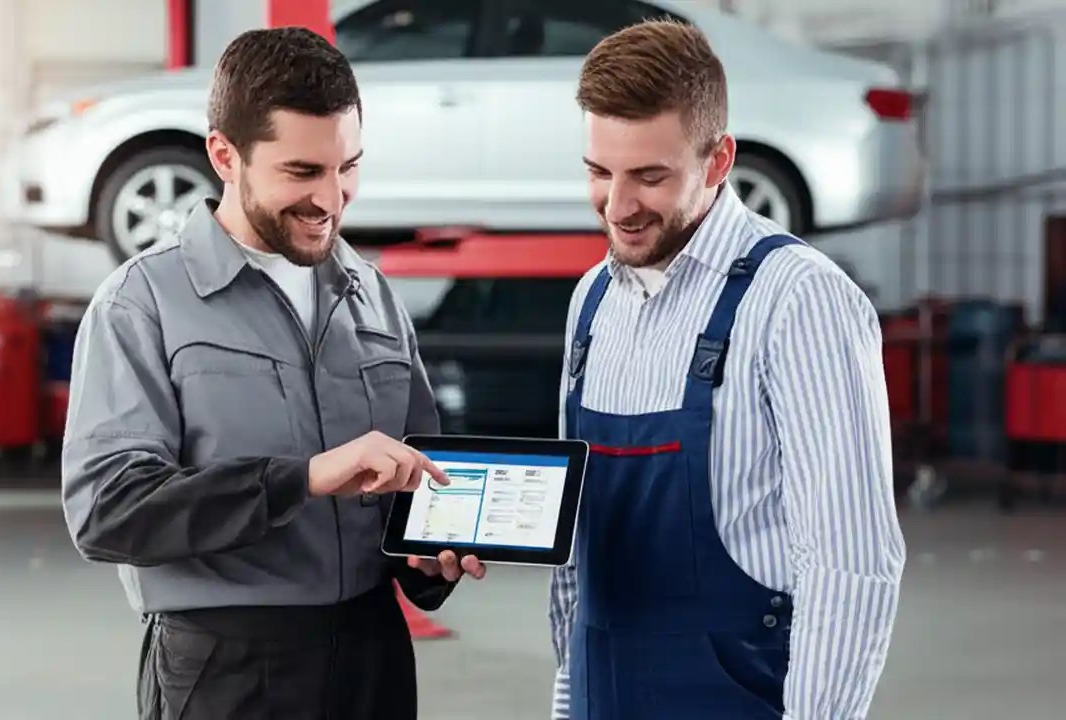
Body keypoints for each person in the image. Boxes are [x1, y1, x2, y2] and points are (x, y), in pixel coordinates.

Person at [61, 27, 485, 720]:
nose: (333, 198)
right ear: (224, 155)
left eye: (347, 166)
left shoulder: (371, 295)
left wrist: (432, 556)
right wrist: (307, 477)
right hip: (228, 666)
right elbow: (108, 511)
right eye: (302, 172)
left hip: (371, 656)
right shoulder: (142, 305)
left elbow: (415, 479)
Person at [548, 20, 906, 720]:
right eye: (599, 172)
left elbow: (850, 564)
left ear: (718, 161)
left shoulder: (799, 301)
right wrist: (569, 700)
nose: (618, 207)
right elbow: (575, 571)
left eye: (650, 177)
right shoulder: (591, 300)